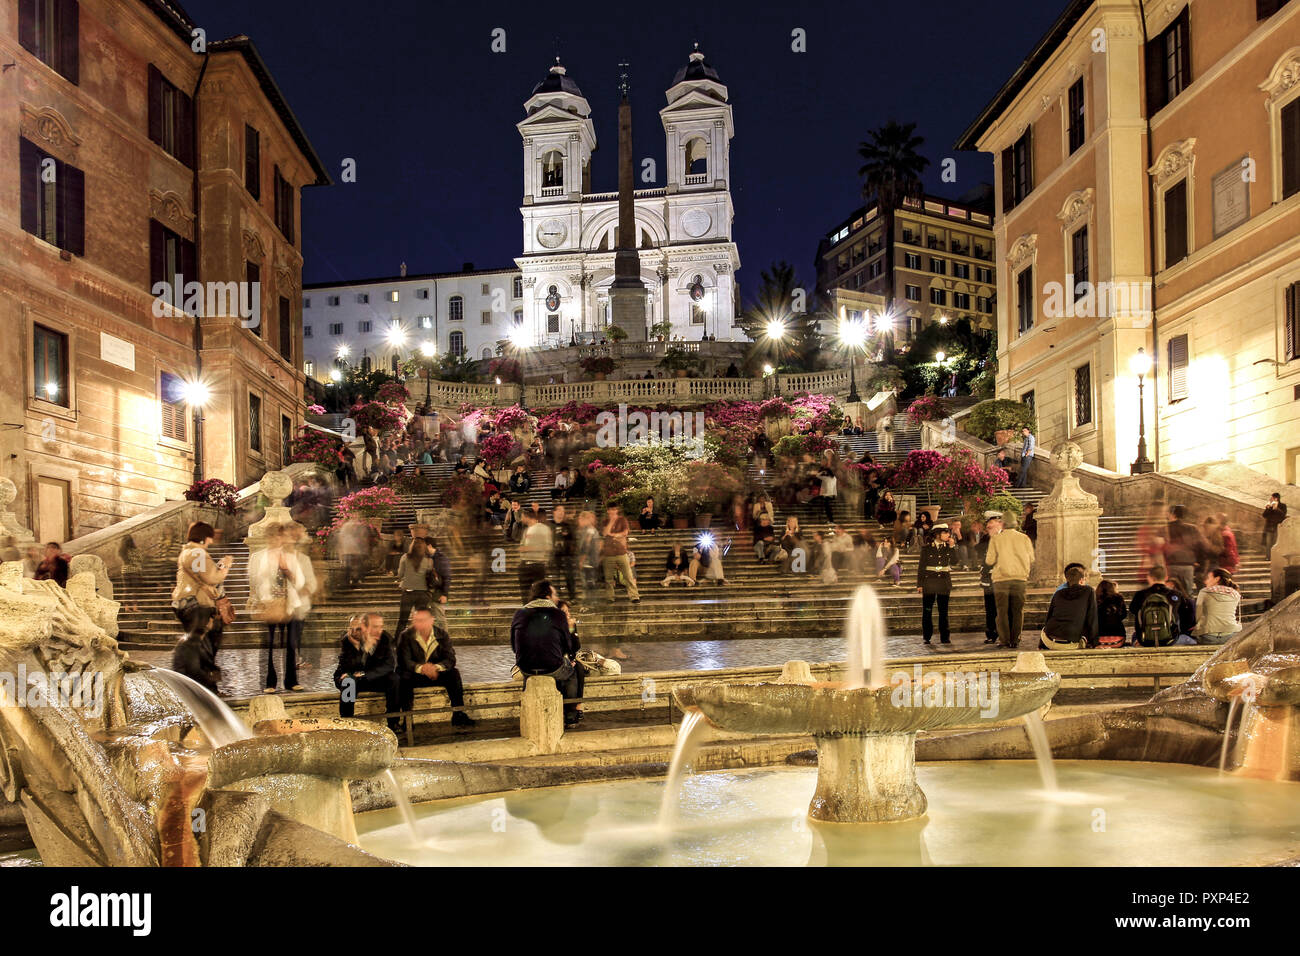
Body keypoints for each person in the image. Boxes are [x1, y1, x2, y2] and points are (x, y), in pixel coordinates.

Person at [512, 580, 584, 728]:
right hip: (552, 667)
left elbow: (514, 646)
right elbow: (568, 647)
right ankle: (571, 716)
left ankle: (527, 713)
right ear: (547, 596)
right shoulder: (558, 614)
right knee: (572, 672)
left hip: (525, 667)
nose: (557, 598)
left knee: (529, 671)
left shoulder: (519, 613)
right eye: (555, 595)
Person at [247, 524, 309, 693]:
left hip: (290, 605)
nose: (275, 539)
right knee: (269, 646)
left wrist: (286, 569)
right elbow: (252, 580)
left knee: (290, 645)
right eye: (272, 536)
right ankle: (269, 682)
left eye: (278, 536)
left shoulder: (291, 556)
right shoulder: (258, 557)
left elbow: (300, 582)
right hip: (268, 605)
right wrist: (257, 600)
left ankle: (291, 681)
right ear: (267, 538)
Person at [397, 607, 475, 727]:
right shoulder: (405, 636)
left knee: (454, 674)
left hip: (436, 673)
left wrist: (436, 667)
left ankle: (458, 713)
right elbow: (404, 660)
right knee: (402, 675)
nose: (419, 624)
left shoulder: (442, 635)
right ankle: (407, 719)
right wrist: (422, 668)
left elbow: (450, 659)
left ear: (431, 620)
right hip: (415, 674)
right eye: (416, 620)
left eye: (423, 620)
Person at [333, 613, 402, 733]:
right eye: (351, 628)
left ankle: (393, 722)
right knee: (348, 682)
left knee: (395, 679)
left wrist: (364, 674)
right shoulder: (347, 640)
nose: (354, 632)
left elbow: (389, 665)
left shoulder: (384, 638)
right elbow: (346, 667)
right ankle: (347, 722)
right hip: (353, 678)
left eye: (358, 629)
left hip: (374, 677)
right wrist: (357, 648)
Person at [171, 522, 232, 655]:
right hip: (195, 603)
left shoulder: (188, 552)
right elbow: (211, 578)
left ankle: (193, 664)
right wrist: (226, 566)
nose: (211, 541)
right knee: (200, 643)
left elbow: (200, 573)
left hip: (185, 602)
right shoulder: (197, 553)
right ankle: (189, 664)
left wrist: (216, 567)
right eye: (210, 537)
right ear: (203, 537)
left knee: (197, 642)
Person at [985, 511, 1035, 649]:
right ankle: (1015, 639)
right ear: (1016, 523)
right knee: (1018, 611)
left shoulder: (996, 539)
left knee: (1002, 611)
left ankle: (1004, 639)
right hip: (1020, 578)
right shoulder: (1024, 538)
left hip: (1001, 579)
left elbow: (989, 560)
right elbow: (1031, 558)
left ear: (1003, 524)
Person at [1040, 565, 1098, 650]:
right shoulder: (1089, 591)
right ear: (1082, 580)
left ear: (1067, 580)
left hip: (1048, 640)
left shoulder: (1058, 593)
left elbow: (1049, 617)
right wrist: (1094, 642)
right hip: (1069, 644)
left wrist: (1041, 644)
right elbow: (1092, 617)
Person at [1129, 566, 1187, 647]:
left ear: (1150, 577)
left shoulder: (1140, 594)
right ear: (1166, 577)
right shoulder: (1176, 595)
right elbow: (1184, 614)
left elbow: (1132, 610)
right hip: (1170, 639)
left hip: (1145, 639)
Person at [917, 525, 956, 645]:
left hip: (943, 582)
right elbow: (921, 567)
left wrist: (952, 547)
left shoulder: (948, 548)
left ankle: (945, 637)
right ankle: (927, 636)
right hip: (929, 582)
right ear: (937, 534)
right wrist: (920, 584)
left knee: (943, 611)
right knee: (927, 610)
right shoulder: (927, 548)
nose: (948, 535)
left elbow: (955, 561)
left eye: (948, 533)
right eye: (945, 533)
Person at [600, 505, 640, 603]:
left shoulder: (622, 520)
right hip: (608, 553)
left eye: (614, 509)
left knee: (628, 575)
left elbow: (625, 533)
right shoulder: (605, 521)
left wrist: (614, 535)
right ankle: (610, 597)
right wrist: (611, 522)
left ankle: (634, 596)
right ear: (608, 511)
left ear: (617, 510)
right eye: (611, 509)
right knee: (608, 578)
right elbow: (605, 533)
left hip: (621, 552)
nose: (613, 511)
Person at [172, 615, 221, 694]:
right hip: (188, 687)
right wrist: (210, 679)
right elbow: (194, 670)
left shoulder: (201, 639)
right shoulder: (191, 642)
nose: (213, 622)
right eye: (211, 619)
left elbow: (205, 660)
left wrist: (214, 669)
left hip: (193, 685)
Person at [1192, 568, 1242, 645]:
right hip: (1230, 635)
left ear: (1217, 579)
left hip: (1208, 636)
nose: (1205, 581)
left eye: (1208, 578)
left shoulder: (1204, 592)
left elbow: (1198, 615)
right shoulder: (1235, 593)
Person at [1164, 505, 1204, 597]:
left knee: (1172, 592)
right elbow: (1200, 545)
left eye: (1168, 513)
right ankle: (1188, 605)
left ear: (1173, 514)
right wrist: (1198, 561)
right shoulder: (1192, 528)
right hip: (1188, 565)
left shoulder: (1165, 529)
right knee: (1188, 593)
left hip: (1171, 565)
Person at [517, 508, 553, 604]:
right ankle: (527, 608)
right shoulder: (527, 530)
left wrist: (531, 548)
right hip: (525, 564)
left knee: (539, 592)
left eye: (522, 516)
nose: (521, 519)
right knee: (525, 593)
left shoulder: (543, 529)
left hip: (537, 564)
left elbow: (548, 546)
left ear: (527, 516)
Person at [977, 514, 1000, 644]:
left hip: (1001, 577)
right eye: (988, 524)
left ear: (998, 523)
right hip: (988, 577)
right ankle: (991, 633)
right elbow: (979, 551)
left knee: (1002, 607)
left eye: (991, 523)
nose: (988, 526)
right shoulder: (986, 538)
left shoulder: (1004, 538)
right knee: (990, 608)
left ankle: (1003, 633)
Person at [549, 505, 578, 602]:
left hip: (566, 555)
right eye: (559, 510)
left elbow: (573, 540)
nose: (562, 512)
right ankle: (555, 598)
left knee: (570, 577)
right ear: (554, 512)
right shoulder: (549, 525)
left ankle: (572, 597)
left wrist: (570, 550)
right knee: (555, 578)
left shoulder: (567, 525)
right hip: (554, 556)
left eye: (563, 511)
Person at [335, 516, 371, 588]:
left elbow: (341, 539)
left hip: (349, 551)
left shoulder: (346, 527)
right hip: (354, 551)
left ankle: (350, 581)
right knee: (355, 566)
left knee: (349, 567)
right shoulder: (355, 527)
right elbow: (362, 539)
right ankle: (355, 580)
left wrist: (341, 551)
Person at [576, 510, 602, 596]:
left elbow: (587, 546)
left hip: (588, 562)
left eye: (580, 519)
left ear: (585, 519)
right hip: (591, 561)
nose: (579, 521)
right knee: (589, 584)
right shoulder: (588, 530)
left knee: (588, 584)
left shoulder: (590, 530)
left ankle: (589, 602)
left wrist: (582, 560)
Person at [1095, 579, 1128, 648]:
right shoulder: (1119, 598)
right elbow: (1124, 615)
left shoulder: (1095, 599)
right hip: (1118, 639)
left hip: (1099, 640)